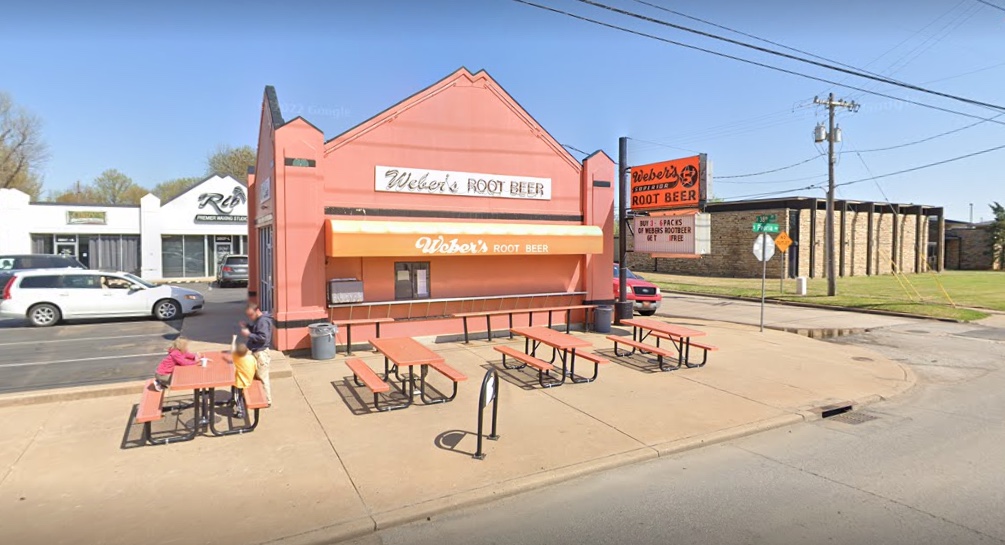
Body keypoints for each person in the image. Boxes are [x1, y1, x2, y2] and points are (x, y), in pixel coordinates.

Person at [240, 302, 273, 405]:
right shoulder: (259, 320)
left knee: (262, 377)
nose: (251, 317)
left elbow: (262, 337)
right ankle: (260, 398)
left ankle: (267, 400)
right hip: (258, 352)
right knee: (257, 376)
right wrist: (248, 326)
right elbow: (257, 330)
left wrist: (249, 335)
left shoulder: (262, 321)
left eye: (251, 314)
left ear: (257, 311)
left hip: (261, 353)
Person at [230, 343, 256, 418]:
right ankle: (232, 400)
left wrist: (234, 341)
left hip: (240, 383)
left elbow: (232, 351)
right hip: (249, 379)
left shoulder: (237, 358)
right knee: (234, 387)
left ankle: (241, 412)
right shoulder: (251, 358)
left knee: (237, 396)